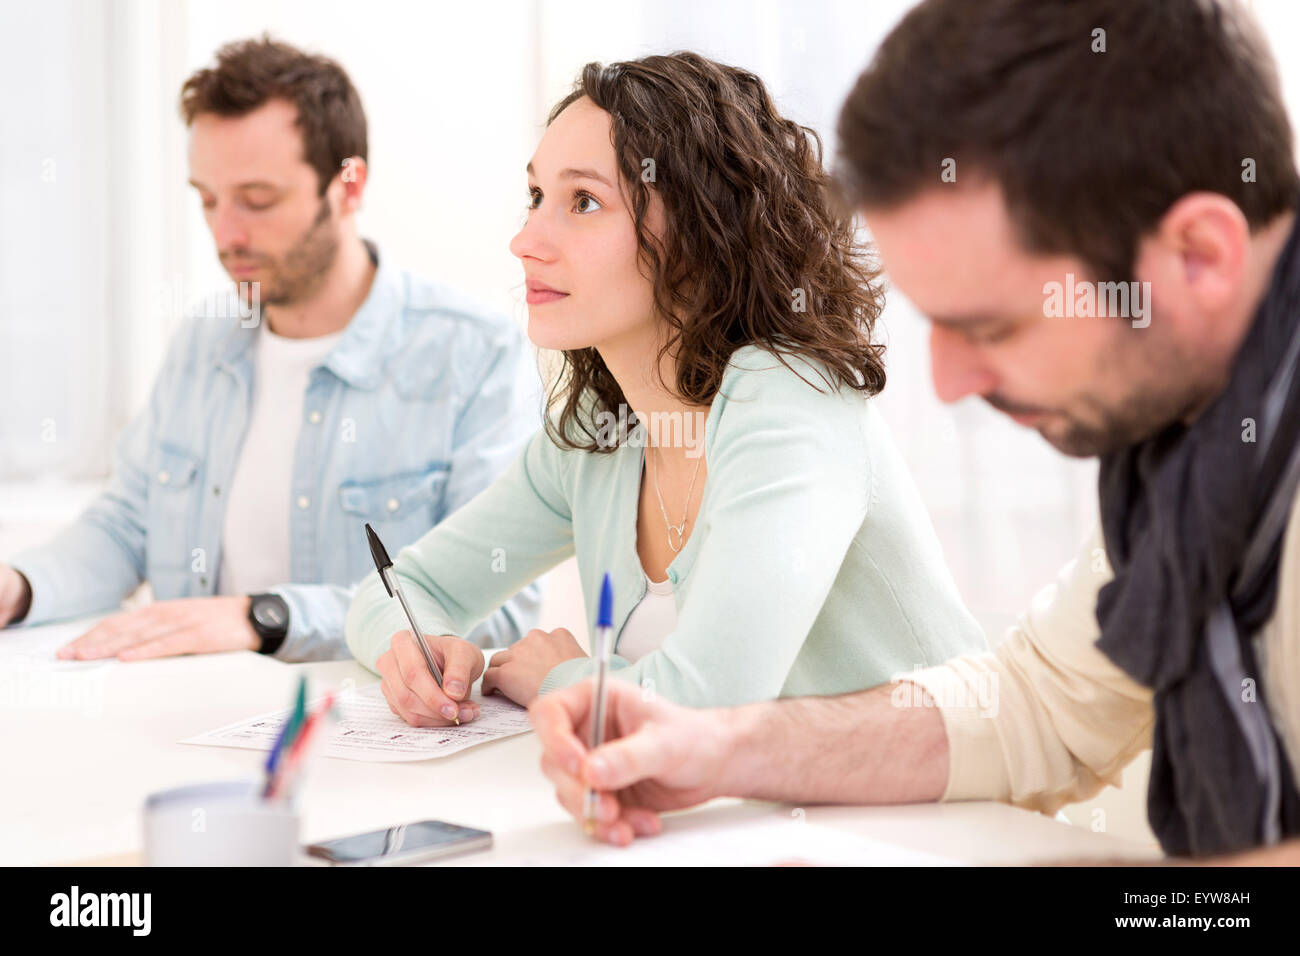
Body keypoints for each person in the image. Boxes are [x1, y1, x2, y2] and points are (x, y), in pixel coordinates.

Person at [531, 0, 1300, 862]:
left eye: (995, 324)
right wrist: (718, 750)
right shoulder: (1192, 451)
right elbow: (1036, 706)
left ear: (1200, 255)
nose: (947, 381)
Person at [345, 52, 986, 728]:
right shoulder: (602, 430)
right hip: (742, 825)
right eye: (537, 198)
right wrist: (416, 651)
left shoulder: (792, 402)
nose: (525, 241)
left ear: (703, 228)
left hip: (928, 825)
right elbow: (403, 588)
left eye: (584, 201)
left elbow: (711, 704)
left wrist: (560, 679)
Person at [0, 36, 540, 669]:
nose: (226, 234)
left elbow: (497, 606)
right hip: (184, 718)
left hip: (363, 736)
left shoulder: (473, 355)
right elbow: (126, 528)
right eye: (207, 199)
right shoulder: (203, 345)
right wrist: (20, 585)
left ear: (347, 186)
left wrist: (263, 617)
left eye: (257, 200)